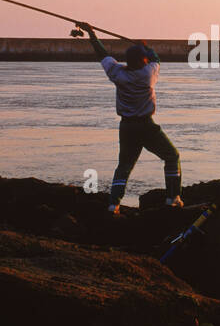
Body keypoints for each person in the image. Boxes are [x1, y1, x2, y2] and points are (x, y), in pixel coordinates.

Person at [76, 23, 182, 213]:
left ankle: (113, 204)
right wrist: (146, 46)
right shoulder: (148, 74)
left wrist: (92, 34)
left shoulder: (117, 73)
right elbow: (156, 57)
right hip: (146, 126)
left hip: (126, 127)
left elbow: (102, 54)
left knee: (124, 166)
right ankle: (173, 198)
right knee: (172, 156)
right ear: (142, 59)